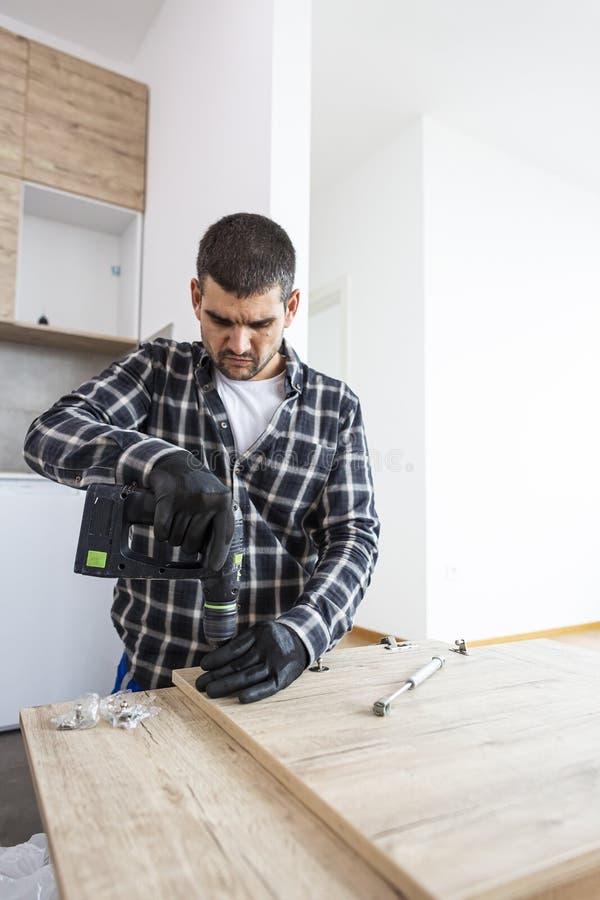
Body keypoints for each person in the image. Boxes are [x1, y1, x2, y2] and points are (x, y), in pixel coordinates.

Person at [24, 213, 379, 703]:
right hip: (156, 671)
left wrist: (303, 634)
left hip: (278, 678)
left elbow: (354, 536)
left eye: (260, 324)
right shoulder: (157, 370)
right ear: (196, 297)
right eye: (221, 320)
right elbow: (49, 434)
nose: (238, 344)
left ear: (292, 308)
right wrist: (163, 463)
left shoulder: (335, 407)